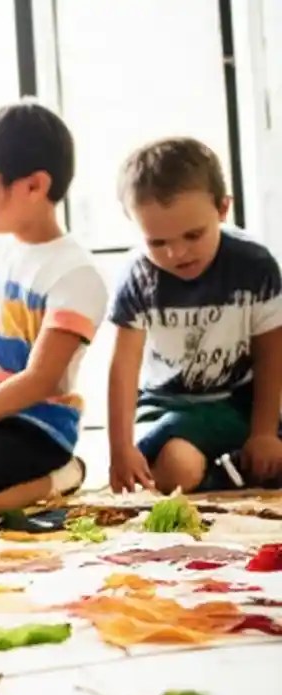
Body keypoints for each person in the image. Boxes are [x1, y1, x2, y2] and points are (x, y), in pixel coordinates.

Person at [0, 100, 107, 522]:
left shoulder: (75, 275)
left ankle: (62, 476)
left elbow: (39, 381)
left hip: (36, 424)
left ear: (34, 186)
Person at [107, 137, 282, 494]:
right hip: (169, 407)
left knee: (269, 452)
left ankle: (237, 464)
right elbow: (123, 367)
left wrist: (264, 432)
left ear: (222, 209)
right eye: (157, 242)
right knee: (176, 471)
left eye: (193, 235)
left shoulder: (254, 265)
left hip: (240, 402)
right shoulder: (137, 277)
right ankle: (227, 473)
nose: (176, 252)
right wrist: (120, 448)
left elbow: (271, 354)